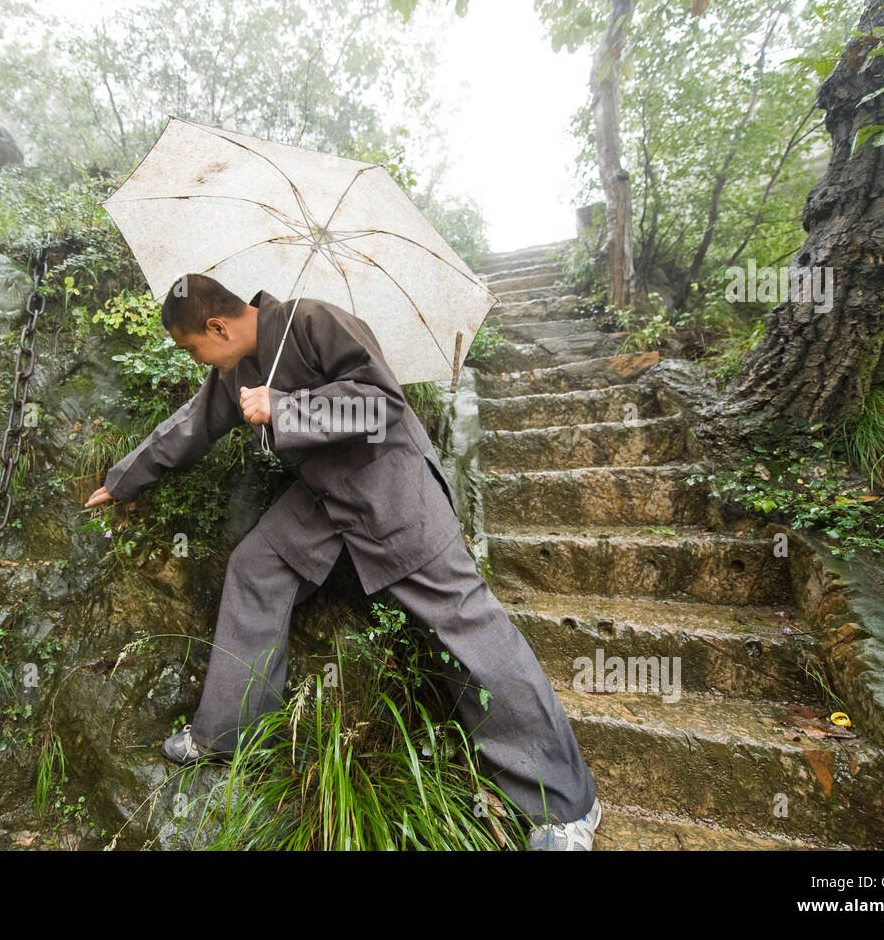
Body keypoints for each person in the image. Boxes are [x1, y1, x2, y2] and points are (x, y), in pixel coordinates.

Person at [84, 273, 602, 850]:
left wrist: (285, 406)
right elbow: (192, 424)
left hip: (392, 490)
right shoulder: (237, 368)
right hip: (325, 500)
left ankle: (567, 805)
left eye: (192, 347)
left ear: (217, 327)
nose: (196, 359)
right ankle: (231, 733)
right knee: (256, 568)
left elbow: (382, 405)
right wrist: (123, 480)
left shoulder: (315, 321)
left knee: (469, 631)